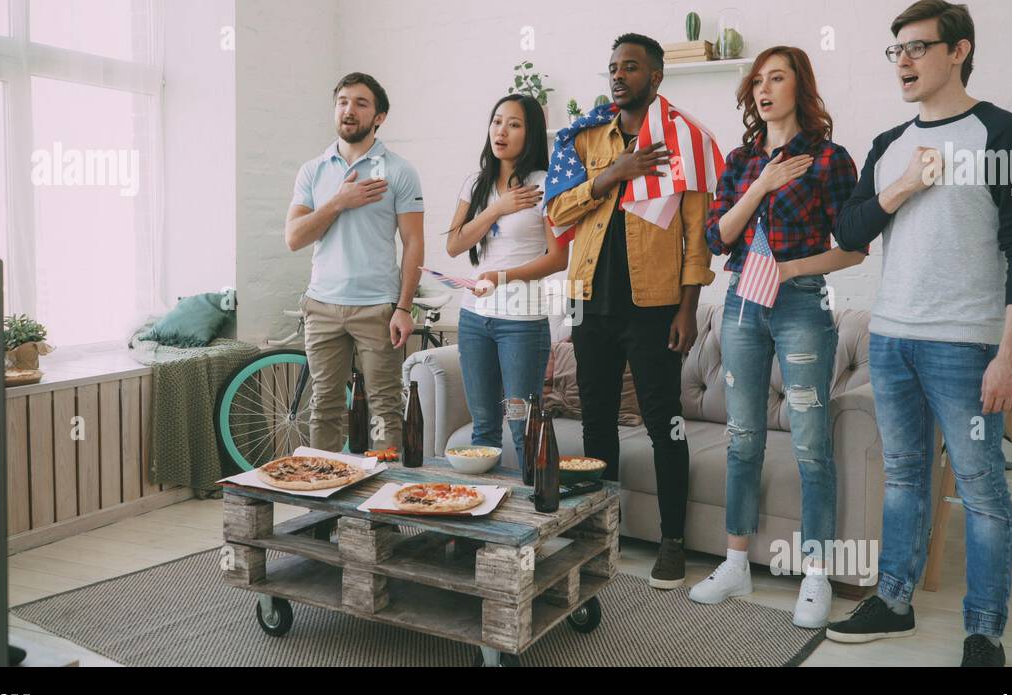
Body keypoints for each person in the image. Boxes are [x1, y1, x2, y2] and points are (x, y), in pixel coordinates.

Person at [827, 0, 1012, 667]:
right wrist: (900, 188)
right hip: (890, 340)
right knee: (902, 478)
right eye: (896, 50)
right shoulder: (889, 145)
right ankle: (893, 602)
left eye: (918, 47)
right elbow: (849, 231)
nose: (905, 61)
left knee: (981, 488)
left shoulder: (1006, 133)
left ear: (959, 50)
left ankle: (984, 631)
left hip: (967, 345)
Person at [693, 46, 864, 628]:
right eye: (758, 80)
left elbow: (856, 246)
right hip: (740, 303)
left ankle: (815, 575)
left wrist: (792, 270)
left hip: (799, 305)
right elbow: (718, 238)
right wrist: (761, 184)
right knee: (743, 438)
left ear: (800, 87)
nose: (764, 89)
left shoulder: (830, 159)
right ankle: (736, 562)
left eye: (777, 78)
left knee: (810, 444)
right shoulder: (742, 161)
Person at [545, 33, 716, 589]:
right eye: (613, 67)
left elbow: (697, 236)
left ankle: (672, 543)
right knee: (597, 426)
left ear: (656, 76)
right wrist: (612, 173)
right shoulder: (589, 137)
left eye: (632, 67)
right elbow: (558, 208)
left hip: (655, 307)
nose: (618, 76)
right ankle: (600, 534)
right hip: (591, 303)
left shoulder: (683, 141)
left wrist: (688, 308)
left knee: (666, 425)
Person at [284, 72, 425, 452]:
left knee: (384, 409)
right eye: (343, 101)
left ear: (379, 117)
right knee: (324, 407)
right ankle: (323, 503)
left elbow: (414, 244)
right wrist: (338, 202)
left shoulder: (399, 171)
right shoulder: (313, 171)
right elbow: (295, 237)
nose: (349, 110)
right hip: (322, 306)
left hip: (378, 308)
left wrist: (403, 308)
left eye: (361, 103)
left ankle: (382, 505)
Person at [445, 94, 566, 469]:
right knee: (483, 430)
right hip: (473, 319)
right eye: (497, 121)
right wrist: (496, 208)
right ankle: (486, 518)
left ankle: (542, 509)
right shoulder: (475, 183)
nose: (502, 131)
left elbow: (560, 258)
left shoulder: (545, 185)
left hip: (522, 322)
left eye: (514, 124)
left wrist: (503, 276)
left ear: (530, 134)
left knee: (523, 425)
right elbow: (454, 244)